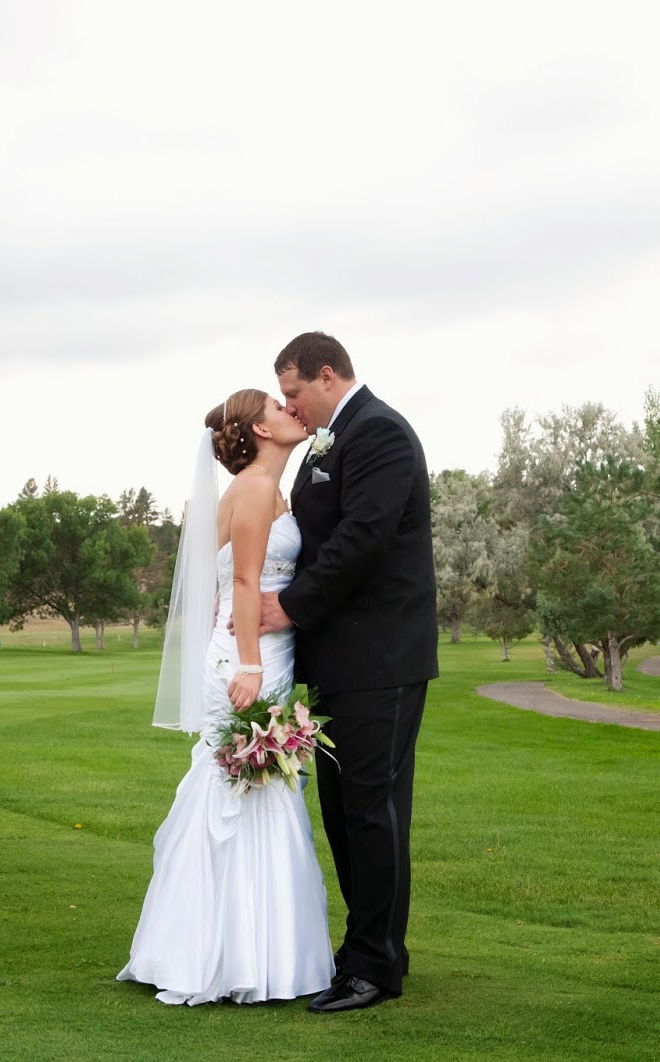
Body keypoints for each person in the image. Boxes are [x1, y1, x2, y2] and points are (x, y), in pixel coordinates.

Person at [117, 389, 336, 1006]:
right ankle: (218, 956)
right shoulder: (256, 488)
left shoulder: (272, 490)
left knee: (262, 791)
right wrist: (248, 663)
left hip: (268, 653)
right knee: (238, 791)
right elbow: (242, 579)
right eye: (277, 405)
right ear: (259, 429)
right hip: (248, 658)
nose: (291, 409)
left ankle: (258, 952)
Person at [259, 331, 438, 1013]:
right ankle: (366, 947)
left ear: (327, 375)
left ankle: (374, 966)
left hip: (380, 660)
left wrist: (289, 606)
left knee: (371, 811)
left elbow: (362, 539)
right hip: (338, 662)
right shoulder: (328, 442)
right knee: (343, 813)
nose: (290, 406)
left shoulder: (380, 433)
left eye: (293, 392)